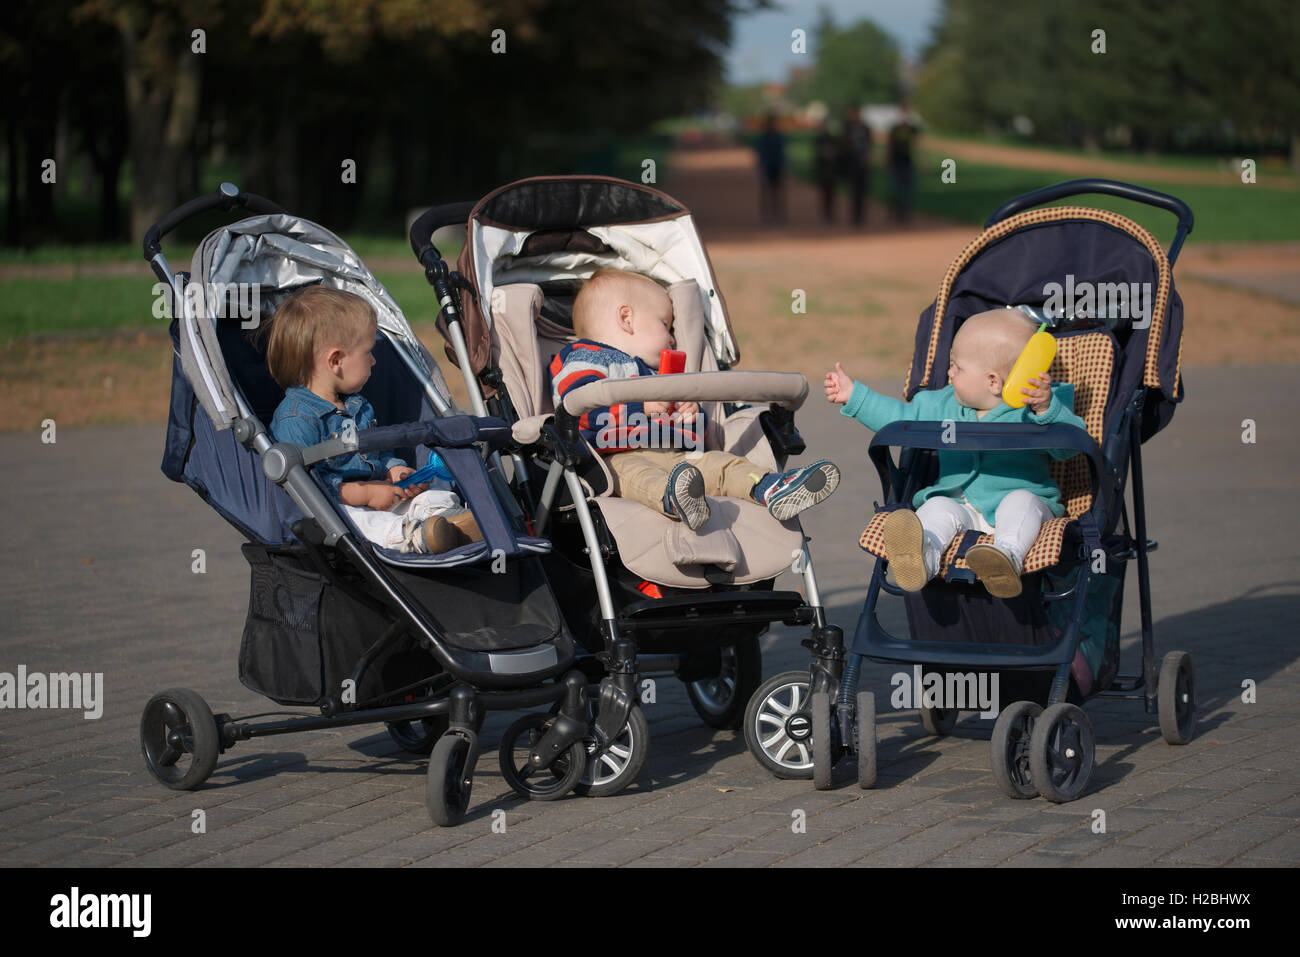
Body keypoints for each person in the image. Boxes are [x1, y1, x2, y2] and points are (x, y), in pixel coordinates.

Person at [824, 308, 1086, 597]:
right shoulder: (944, 404)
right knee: (937, 508)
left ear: (993, 382)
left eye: (957, 367)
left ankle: (1006, 558)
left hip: (1021, 511)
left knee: (1021, 502)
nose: (949, 373)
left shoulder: (1036, 407)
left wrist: (1046, 411)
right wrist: (856, 397)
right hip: (961, 507)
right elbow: (901, 418)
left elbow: (1068, 447)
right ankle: (923, 557)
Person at [551, 269, 840, 529]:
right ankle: (676, 499)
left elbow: (692, 434)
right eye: (665, 324)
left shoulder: (660, 372)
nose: (673, 338)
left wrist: (692, 414)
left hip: (681, 457)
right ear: (627, 319)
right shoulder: (585, 358)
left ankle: (771, 487)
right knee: (637, 477)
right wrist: (642, 406)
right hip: (612, 457)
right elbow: (581, 409)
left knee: (722, 465)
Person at [264, 286, 482, 554]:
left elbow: (377, 453)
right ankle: (412, 536)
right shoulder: (296, 418)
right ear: (335, 361)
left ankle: (446, 521)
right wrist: (365, 494)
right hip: (339, 509)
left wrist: (394, 469)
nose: (375, 360)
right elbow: (308, 488)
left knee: (432, 496)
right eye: (368, 352)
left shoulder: (358, 404)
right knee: (358, 521)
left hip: (381, 493)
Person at [837, 105, 871, 226]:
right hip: (851, 163)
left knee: (862, 191)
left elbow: (869, 145)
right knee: (853, 191)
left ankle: (860, 215)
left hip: (862, 164)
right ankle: (855, 215)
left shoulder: (865, 128)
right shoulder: (848, 128)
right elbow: (843, 145)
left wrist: (866, 158)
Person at [887, 102, 918, 223]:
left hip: (907, 162)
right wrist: (888, 161)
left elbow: (916, 145)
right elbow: (890, 146)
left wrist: (921, 162)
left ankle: (906, 214)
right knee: (897, 189)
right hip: (896, 162)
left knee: (908, 190)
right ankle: (897, 212)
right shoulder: (895, 129)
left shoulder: (912, 129)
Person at [755, 112, 787, 225]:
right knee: (766, 192)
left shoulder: (778, 136)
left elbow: (782, 153)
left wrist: (783, 165)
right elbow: (761, 153)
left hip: (776, 165)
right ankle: (766, 215)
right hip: (767, 165)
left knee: (778, 191)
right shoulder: (764, 137)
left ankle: (779, 214)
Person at [813, 118, 838, 224]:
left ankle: (831, 214)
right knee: (824, 193)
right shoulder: (819, 140)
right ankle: (825, 214)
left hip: (830, 169)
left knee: (831, 193)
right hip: (823, 169)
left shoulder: (831, 139)